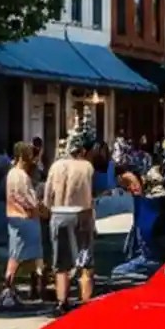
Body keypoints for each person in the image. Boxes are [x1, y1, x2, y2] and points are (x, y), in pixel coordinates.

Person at [43, 129, 97, 315]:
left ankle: (62, 301)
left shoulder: (55, 167)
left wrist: (48, 209)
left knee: (61, 262)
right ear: (82, 150)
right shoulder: (87, 167)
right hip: (82, 213)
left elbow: (47, 196)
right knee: (85, 260)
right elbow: (93, 193)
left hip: (59, 213)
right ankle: (85, 301)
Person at [3, 141, 46, 305]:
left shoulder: (14, 173)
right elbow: (25, 198)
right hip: (24, 218)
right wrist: (39, 207)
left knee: (28, 255)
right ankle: (10, 289)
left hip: (19, 218)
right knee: (19, 256)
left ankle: (35, 287)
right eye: (28, 153)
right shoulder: (19, 175)